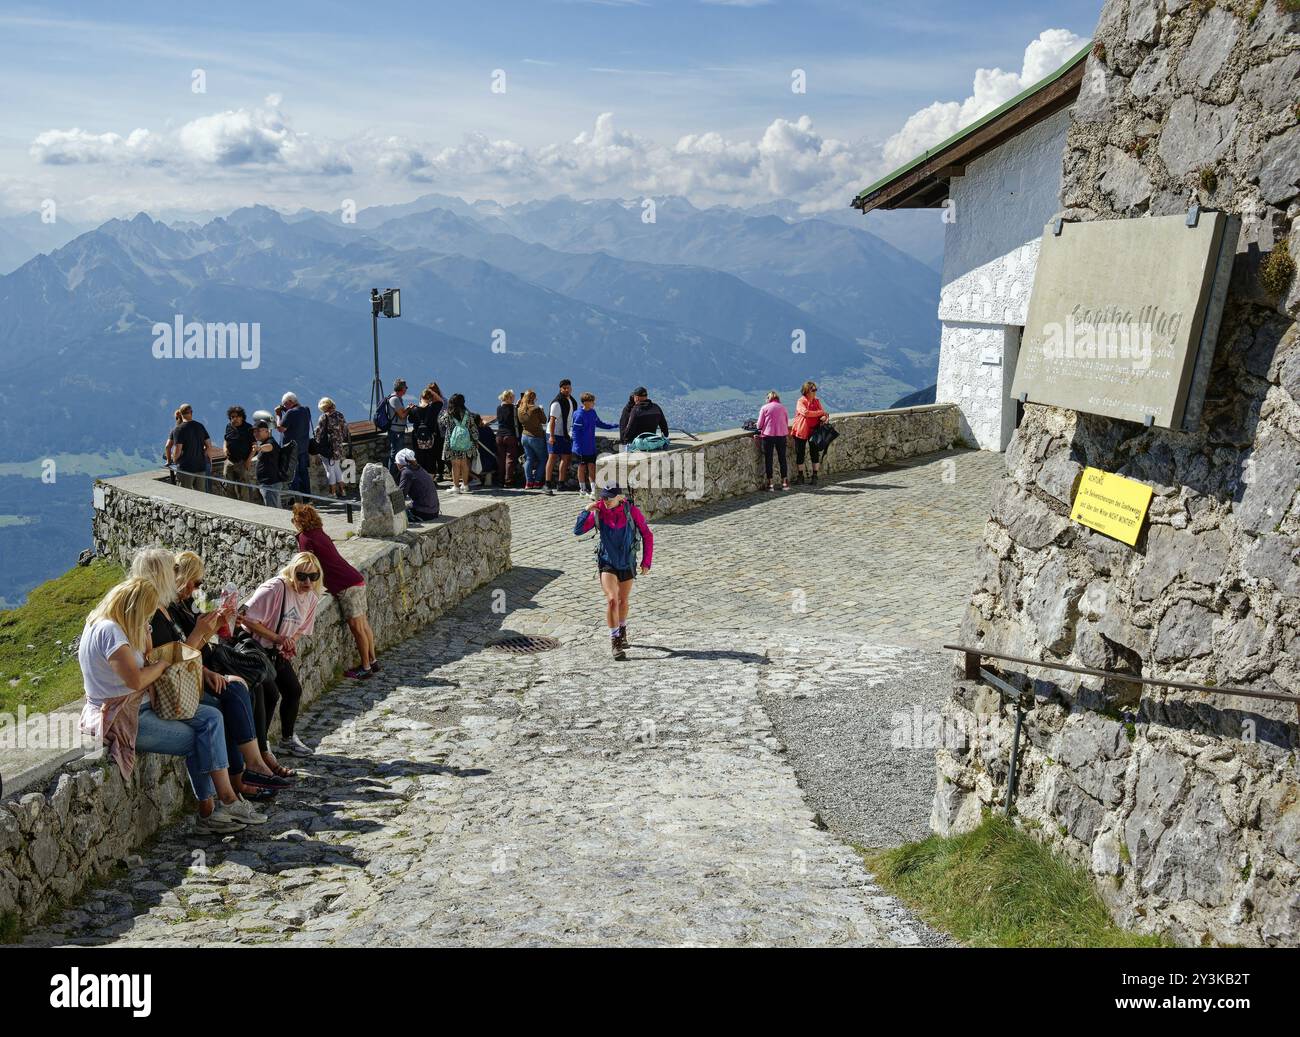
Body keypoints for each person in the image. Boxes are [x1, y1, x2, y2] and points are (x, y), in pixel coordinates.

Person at [79, 576, 266, 835]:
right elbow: (135, 679)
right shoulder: (110, 631)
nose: (149, 617)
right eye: (147, 612)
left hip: (141, 706)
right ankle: (222, 804)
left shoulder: (107, 623)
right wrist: (161, 666)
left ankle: (214, 809)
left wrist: (145, 633)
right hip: (126, 716)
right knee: (201, 738)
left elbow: (143, 656)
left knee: (211, 718)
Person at [142, 549, 290, 801]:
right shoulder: (160, 614)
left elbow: (188, 650)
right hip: (174, 689)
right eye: (197, 582)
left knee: (252, 688)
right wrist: (203, 631)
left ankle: (248, 769)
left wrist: (211, 634)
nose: (198, 588)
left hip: (192, 674)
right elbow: (175, 661)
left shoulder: (171, 608)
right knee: (229, 697)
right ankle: (244, 775)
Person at [238, 553, 324, 759]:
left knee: (293, 690)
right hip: (256, 650)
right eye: (302, 576)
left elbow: (301, 628)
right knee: (270, 695)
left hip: (276, 652)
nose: (307, 582)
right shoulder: (275, 588)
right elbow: (245, 618)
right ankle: (261, 747)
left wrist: (290, 640)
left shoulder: (311, 597)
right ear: (292, 573)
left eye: (313, 576)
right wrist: (278, 637)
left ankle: (287, 739)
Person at [292, 503, 377, 680]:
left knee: (357, 628)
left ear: (300, 521)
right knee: (364, 624)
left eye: (294, 519)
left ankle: (366, 667)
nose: (293, 522)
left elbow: (306, 565)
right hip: (355, 579)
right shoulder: (320, 533)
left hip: (345, 585)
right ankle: (373, 662)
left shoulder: (305, 538)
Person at [574, 485, 654, 660]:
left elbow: (647, 535)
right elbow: (578, 530)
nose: (606, 501)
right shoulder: (599, 510)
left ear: (620, 497)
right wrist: (586, 510)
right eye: (604, 497)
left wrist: (646, 561)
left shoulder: (631, 511)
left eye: (609, 498)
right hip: (607, 561)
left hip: (626, 561)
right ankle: (615, 640)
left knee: (622, 600)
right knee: (612, 600)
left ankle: (622, 629)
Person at [571, 392, 619, 497]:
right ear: (586, 402)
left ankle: (593, 489)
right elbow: (575, 432)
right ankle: (582, 489)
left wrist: (613, 426)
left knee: (592, 467)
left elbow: (599, 423)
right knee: (582, 467)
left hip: (590, 446)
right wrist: (577, 446)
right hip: (581, 447)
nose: (594, 403)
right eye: (592, 401)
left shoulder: (592, 412)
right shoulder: (579, 415)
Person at [168, 404, 215, 492]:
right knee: (201, 495)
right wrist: (202, 455)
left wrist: (174, 460)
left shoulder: (179, 429)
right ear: (191, 413)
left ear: (180, 414)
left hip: (186, 468)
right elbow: (209, 446)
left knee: (186, 495)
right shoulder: (200, 426)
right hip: (200, 467)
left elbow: (178, 450)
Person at [438, 393, 479, 494]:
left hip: (452, 443)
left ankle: (456, 486)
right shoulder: (468, 414)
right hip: (466, 443)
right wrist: (475, 440)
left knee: (455, 465)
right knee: (465, 464)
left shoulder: (448, 414)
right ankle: (465, 485)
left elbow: (441, 422)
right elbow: (473, 429)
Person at [791, 380, 829, 486]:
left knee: (814, 453)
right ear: (807, 390)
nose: (815, 391)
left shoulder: (816, 401)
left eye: (815, 389)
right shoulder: (801, 401)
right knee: (800, 453)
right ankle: (800, 476)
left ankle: (815, 476)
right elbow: (805, 413)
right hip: (801, 430)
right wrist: (821, 413)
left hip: (814, 430)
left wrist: (824, 416)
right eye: (813, 389)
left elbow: (824, 414)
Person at [276, 392, 313, 500]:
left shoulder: (290, 413)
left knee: (293, 475)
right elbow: (296, 422)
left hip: (291, 449)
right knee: (304, 473)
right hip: (304, 447)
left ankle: (297, 499)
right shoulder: (305, 410)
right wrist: (286, 410)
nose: (283, 406)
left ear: (290, 402)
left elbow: (280, 428)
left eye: (284, 404)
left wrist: (278, 414)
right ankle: (307, 499)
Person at [314, 397, 352, 499]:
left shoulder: (323, 418)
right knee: (337, 468)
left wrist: (317, 450)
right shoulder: (340, 415)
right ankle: (343, 490)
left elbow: (319, 435)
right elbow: (345, 431)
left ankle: (333, 493)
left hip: (327, 448)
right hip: (338, 447)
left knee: (329, 470)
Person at [545, 379, 577, 495]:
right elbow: (552, 420)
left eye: (568, 387)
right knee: (552, 457)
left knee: (566, 457)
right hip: (554, 433)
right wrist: (552, 436)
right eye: (564, 388)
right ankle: (547, 483)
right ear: (560, 389)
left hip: (565, 433)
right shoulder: (557, 402)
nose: (567, 389)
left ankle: (561, 483)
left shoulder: (571, 401)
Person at [757, 390, 791, 491]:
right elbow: (785, 422)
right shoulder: (783, 408)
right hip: (781, 435)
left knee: (769, 459)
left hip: (768, 435)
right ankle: (784, 483)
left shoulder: (764, 408)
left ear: (769, 398)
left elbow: (759, 425)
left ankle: (770, 484)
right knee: (782, 459)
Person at [394, 448, 441, 520]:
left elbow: (401, 495)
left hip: (424, 513)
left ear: (400, 463)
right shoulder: (419, 468)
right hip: (434, 511)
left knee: (395, 515)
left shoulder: (406, 472)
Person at [410, 384, 444, 479]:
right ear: (430, 398)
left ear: (421, 397)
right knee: (431, 458)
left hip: (417, 438)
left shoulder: (414, 409)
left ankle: (421, 479)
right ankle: (431, 480)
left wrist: (412, 408)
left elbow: (410, 420)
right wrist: (432, 392)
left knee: (419, 457)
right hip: (430, 437)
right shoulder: (433, 408)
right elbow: (440, 401)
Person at [223, 406, 256, 502]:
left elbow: (254, 446)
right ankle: (231, 504)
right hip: (229, 461)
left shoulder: (248, 428)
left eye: (236, 416)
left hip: (242, 461)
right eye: (232, 417)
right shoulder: (229, 426)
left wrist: (248, 461)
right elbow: (225, 439)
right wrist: (225, 448)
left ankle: (244, 506)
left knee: (243, 487)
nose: (234, 419)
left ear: (242, 417)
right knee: (228, 485)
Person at [517, 389, 547, 489]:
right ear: (534, 398)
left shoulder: (520, 409)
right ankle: (537, 481)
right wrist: (542, 410)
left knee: (529, 459)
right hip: (536, 436)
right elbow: (544, 420)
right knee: (543, 459)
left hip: (524, 436)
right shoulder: (536, 409)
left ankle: (529, 482)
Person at [251, 418, 284, 508]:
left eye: (258, 431)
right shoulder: (264, 442)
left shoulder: (271, 442)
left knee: (273, 511)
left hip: (270, 484)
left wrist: (260, 448)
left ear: (266, 431)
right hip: (268, 483)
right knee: (277, 509)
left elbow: (269, 447)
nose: (255, 434)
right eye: (254, 432)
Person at [495, 390, 522, 488]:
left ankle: (500, 480)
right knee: (510, 459)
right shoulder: (514, 408)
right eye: (512, 397)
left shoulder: (499, 408)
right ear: (509, 398)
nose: (514, 398)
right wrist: (518, 406)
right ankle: (508, 480)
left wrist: (515, 405)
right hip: (510, 436)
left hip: (499, 436)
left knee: (501, 459)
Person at [384, 378, 411, 478]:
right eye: (405, 387)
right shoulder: (395, 399)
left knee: (396, 454)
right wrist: (409, 408)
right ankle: (392, 477)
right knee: (395, 454)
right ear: (402, 388)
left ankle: (395, 476)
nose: (406, 389)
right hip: (396, 431)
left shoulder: (396, 398)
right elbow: (402, 415)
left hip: (397, 430)